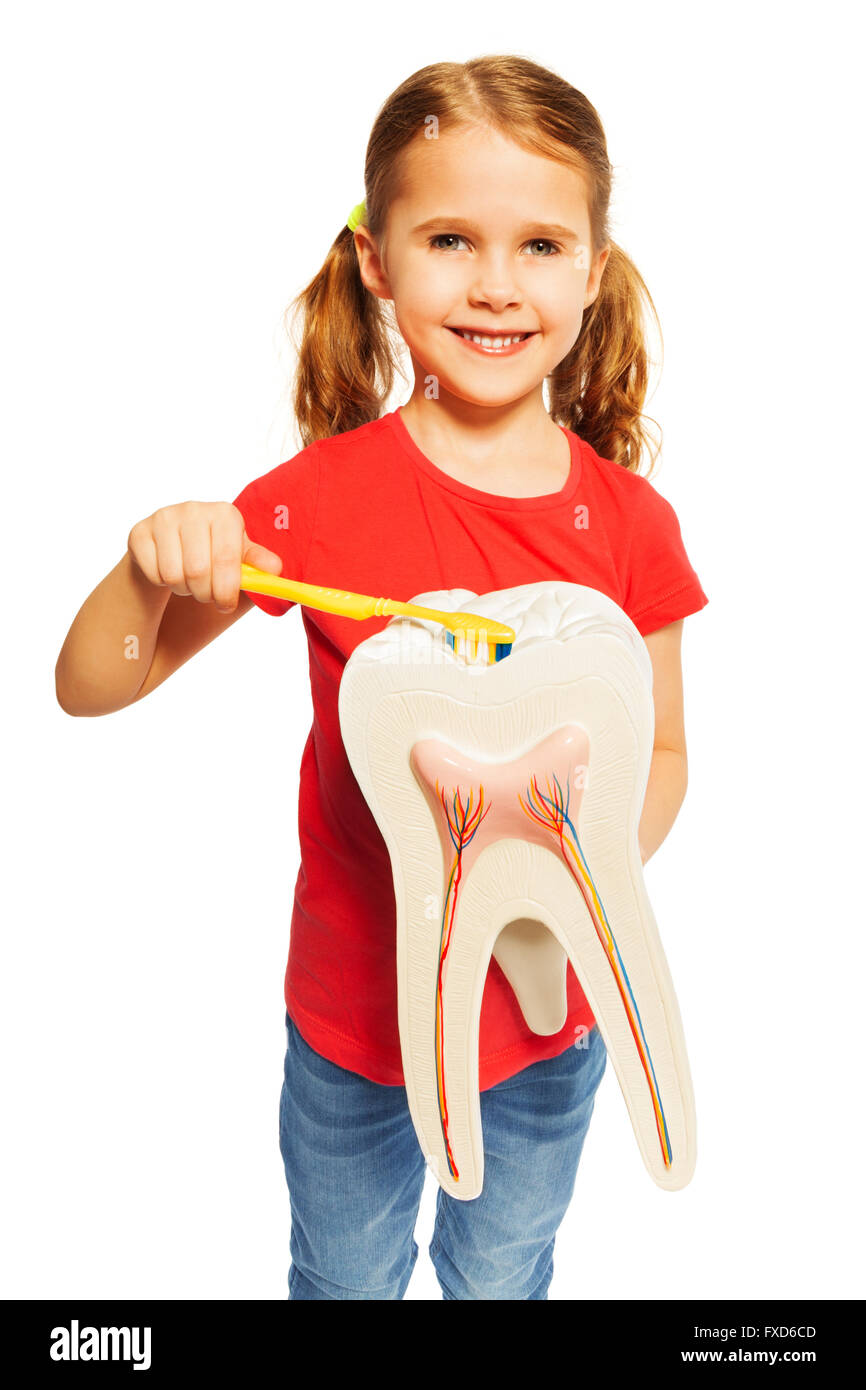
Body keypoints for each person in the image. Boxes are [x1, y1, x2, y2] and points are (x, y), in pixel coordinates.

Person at [55, 55, 709, 1300]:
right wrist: (147, 575)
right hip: (353, 1031)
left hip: (542, 1033)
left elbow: (662, 752)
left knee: (505, 1272)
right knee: (344, 1281)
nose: (496, 285)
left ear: (592, 266)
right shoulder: (320, 503)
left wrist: (565, 873)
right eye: (451, 239)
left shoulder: (629, 525)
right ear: (376, 259)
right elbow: (92, 686)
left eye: (539, 245)